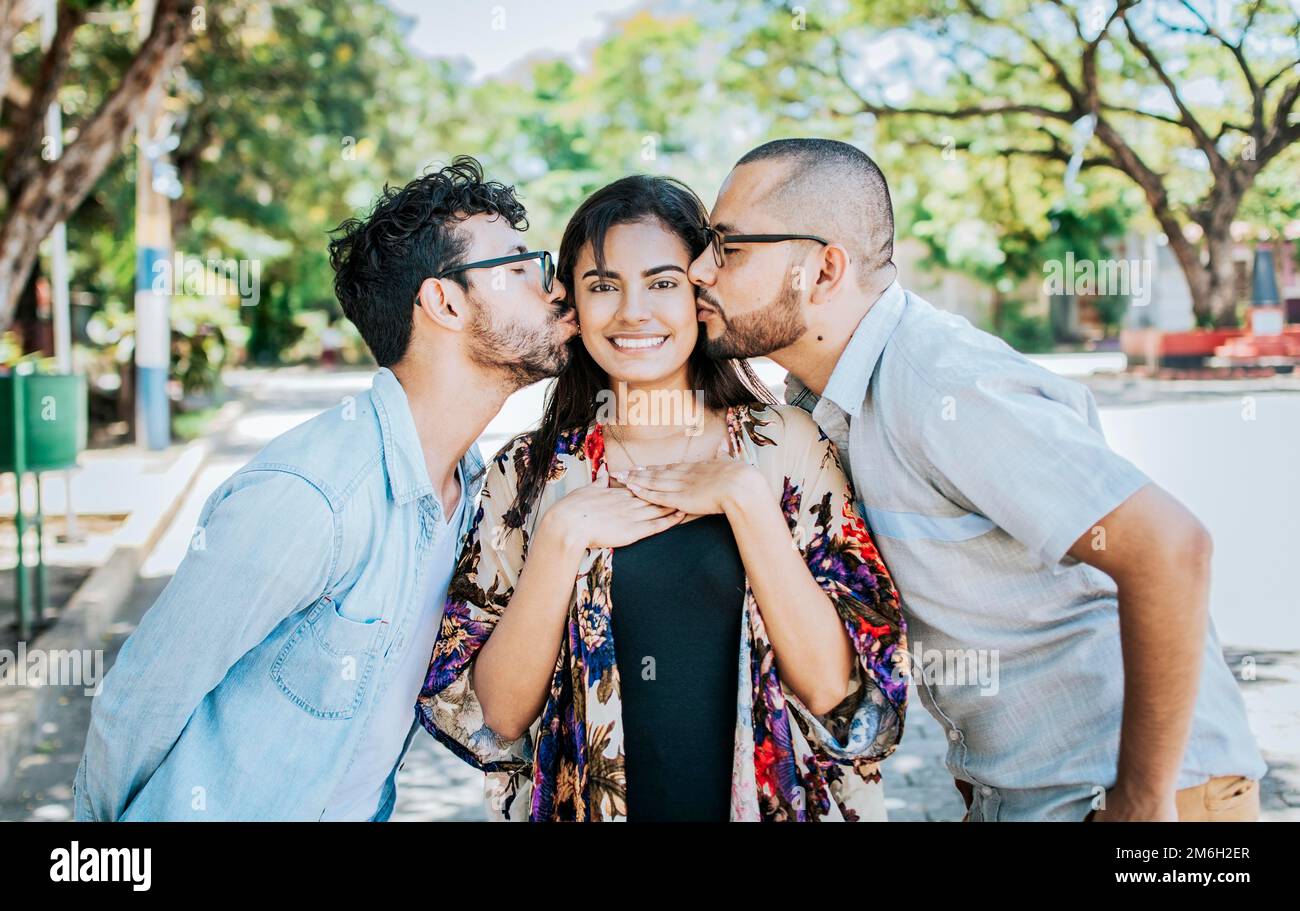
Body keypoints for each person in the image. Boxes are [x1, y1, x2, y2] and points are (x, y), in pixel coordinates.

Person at [680, 137, 1267, 822]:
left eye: (728, 247)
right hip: (1033, 798)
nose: (698, 269)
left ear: (824, 269)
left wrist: (1141, 800)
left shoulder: (940, 383)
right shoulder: (822, 403)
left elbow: (1170, 547)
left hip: (1143, 795)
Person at [73, 156, 577, 821]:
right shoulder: (314, 495)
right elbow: (140, 702)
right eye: (519, 266)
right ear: (445, 302)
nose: (556, 288)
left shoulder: (474, 494)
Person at [418, 174, 907, 821]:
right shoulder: (529, 472)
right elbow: (497, 717)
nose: (633, 312)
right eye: (603, 286)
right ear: (573, 304)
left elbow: (836, 696)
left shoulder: (784, 445)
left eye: (663, 283)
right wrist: (560, 539)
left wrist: (746, 502)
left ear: (701, 292)